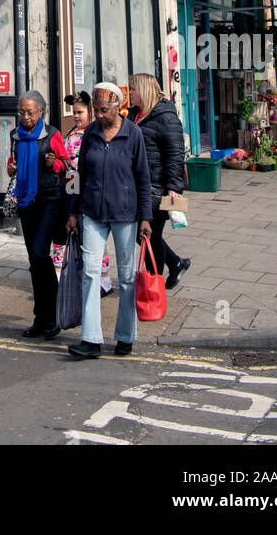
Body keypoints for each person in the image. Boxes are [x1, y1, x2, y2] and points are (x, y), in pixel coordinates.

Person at [66, 82, 152, 359]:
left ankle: (125, 336)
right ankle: (91, 339)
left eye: (104, 110)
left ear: (118, 106)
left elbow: (143, 178)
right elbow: (78, 176)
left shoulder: (133, 133)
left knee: (126, 277)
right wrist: (73, 212)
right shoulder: (90, 132)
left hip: (126, 214)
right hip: (92, 212)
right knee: (90, 273)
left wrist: (145, 218)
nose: (99, 115)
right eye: (96, 110)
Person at [7, 90, 70, 339]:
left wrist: (52, 163)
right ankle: (40, 319)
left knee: (39, 254)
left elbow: (66, 165)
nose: (25, 117)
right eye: (22, 112)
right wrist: (11, 168)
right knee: (35, 262)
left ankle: (53, 315)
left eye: (30, 112)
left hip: (49, 201)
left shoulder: (52, 135)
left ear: (41, 112)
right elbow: (12, 163)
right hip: (26, 202)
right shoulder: (15, 136)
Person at [128, 73, 190, 290]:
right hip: (138, 185)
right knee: (144, 235)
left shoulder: (166, 117)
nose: (130, 93)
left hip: (157, 187)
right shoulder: (134, 114)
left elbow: (175, 154)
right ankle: (175, 263)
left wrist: (174, 187)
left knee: (149, 235)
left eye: (133, 89)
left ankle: (154, 286)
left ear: (143, 90)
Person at [63, 92, 113, 296]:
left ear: (90, 112)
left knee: (95, 237)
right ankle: (90, 276)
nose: (76, 116)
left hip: (91, 191)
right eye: (74, 112)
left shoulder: (94, 133)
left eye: (80, 112)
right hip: (74, 189)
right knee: (83, 237)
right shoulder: (72, 134)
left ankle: (104, 279)